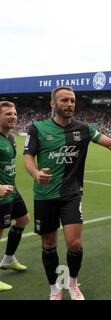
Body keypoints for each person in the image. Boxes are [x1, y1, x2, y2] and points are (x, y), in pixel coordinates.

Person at [23, 86, 111, 300]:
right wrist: (36, 173)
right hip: (45, 195)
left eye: (72, 100)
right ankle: (54, 289)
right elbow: (28, 157)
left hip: (71, 194)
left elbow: (109, 143)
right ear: (53, 104)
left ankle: (72, 283)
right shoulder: (37, 128)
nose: (69, 104)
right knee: (49, 244)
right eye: (64, 100)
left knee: (74, 243)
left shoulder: (84, 129)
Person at [0, 101, 31, 292]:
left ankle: (9, 258)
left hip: (12, 189)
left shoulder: (10, 138)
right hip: (1, 192)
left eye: (15, 113)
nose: (13, 116)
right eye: (8, 114)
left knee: (23, 219)